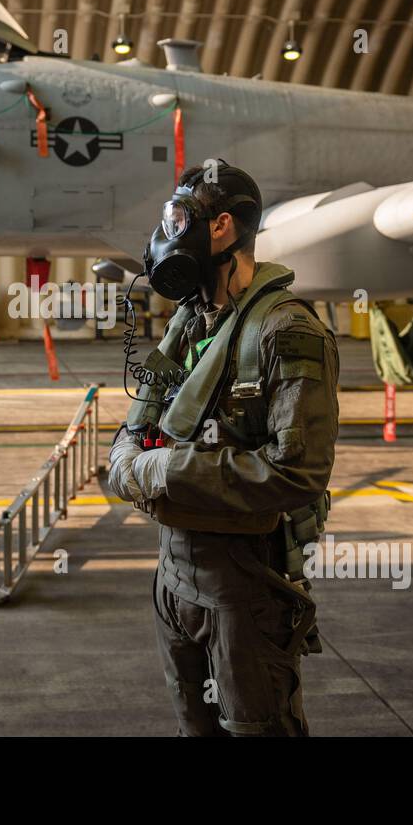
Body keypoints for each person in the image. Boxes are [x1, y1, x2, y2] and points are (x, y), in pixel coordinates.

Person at [107, 161, 340, 737]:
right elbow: (131, 435)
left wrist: (161, 468)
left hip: (243, 581)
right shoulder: (190, 322)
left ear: (223, 228)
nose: (168, 233)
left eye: (182, 218)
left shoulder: (287, 332)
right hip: (174, 575)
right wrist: (135, 462)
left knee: (257, 728)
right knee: (195, 725)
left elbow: (296, 472)